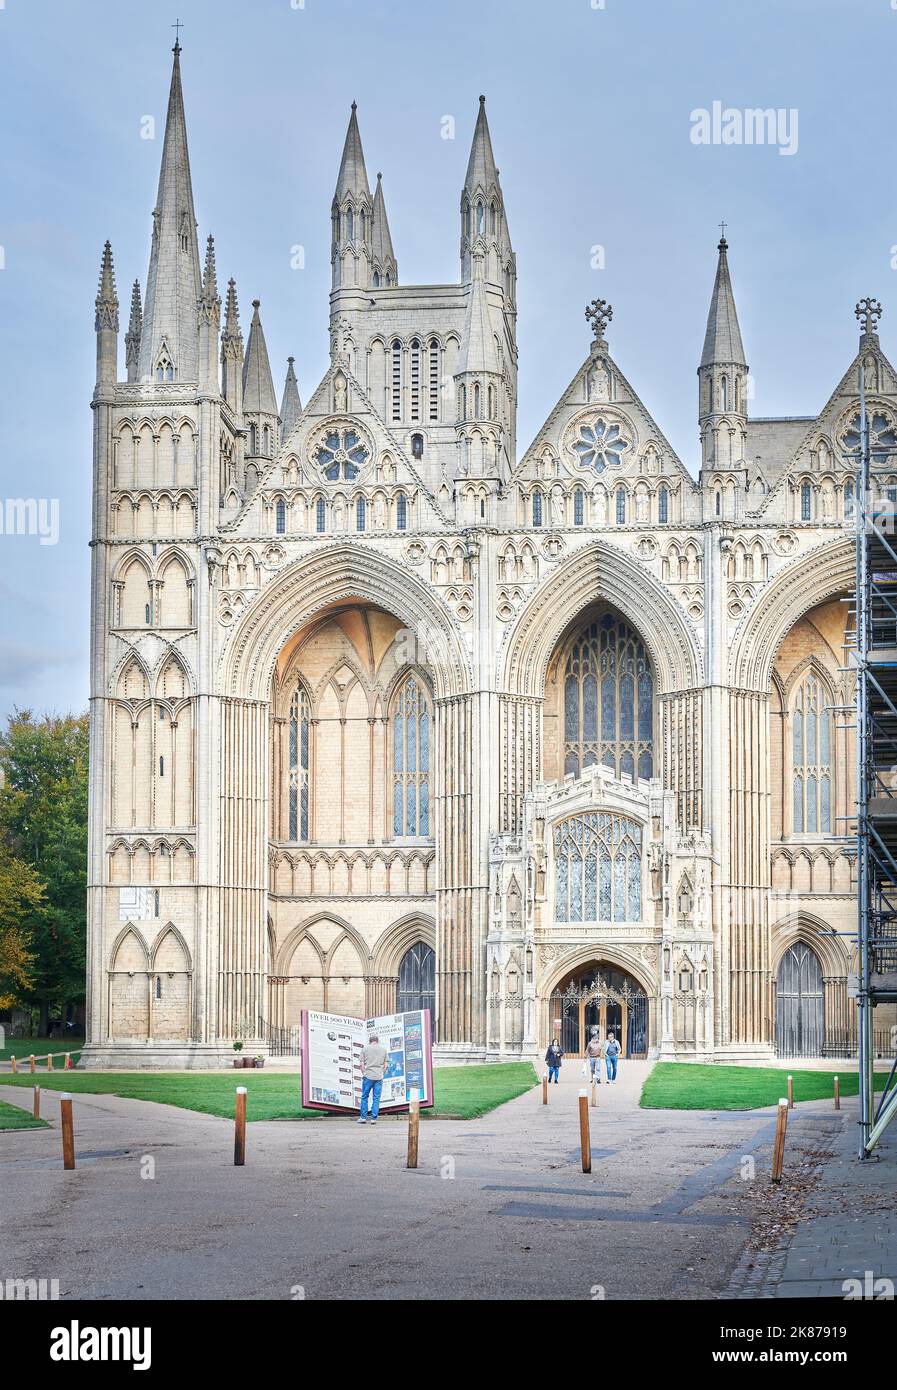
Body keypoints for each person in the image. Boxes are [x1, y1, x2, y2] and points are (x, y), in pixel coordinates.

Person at [358, 1032, 388, 1124]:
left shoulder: (364, 1049)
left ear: (370, 1041)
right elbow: (386, 1065)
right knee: (376, 1098)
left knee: (364, 1097)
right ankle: (373, 1119)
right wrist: (381, 1073)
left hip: (368, 1076)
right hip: (379, 1077)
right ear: (377, 1041)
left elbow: (361, 1064)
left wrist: (364, 1073)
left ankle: (363, 1118)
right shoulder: (383, 1050)